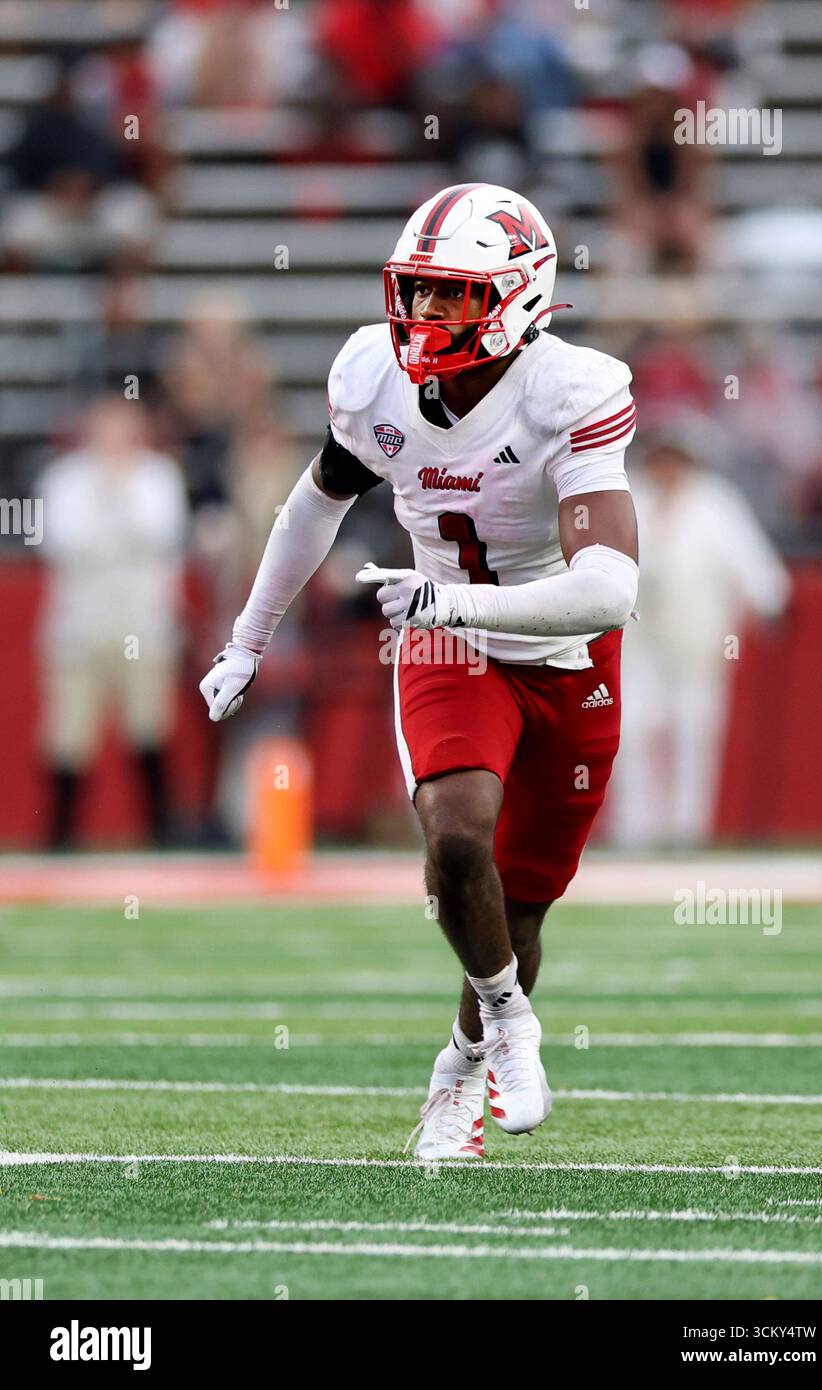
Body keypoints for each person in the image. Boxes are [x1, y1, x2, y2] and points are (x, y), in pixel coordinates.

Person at [199, 184, 639, 1159]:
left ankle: (461, 1061)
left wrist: (455, 603)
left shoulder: (572, 389)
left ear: (518, 297)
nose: (423, 316)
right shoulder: (374, 377)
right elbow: (313, 504)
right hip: (444, 639)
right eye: (416, 291)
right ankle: (509, 1023)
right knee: (452, 838)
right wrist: (249, 635)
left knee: (520, 898)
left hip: (560, 650)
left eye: (451, 296)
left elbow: (607, 588)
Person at [611, 422, 790, 848]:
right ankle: (635, 833)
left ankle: (686, 832)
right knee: (633, 733)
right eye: (661, 458)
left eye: (675, 459)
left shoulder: (716, 502)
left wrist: (770, 603)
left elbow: (754, 562)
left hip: (699, 644)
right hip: (640, 642)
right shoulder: (630, 496)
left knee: (694, 734)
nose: (667, 467)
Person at [39, 399, 188, 847]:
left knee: (149, 727)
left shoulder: (158, 476)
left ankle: (161, 832)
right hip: (79, 627)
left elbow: (160, 533)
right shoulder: (65, 478)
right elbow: (65, 542)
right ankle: (61, 837)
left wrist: (116, 497)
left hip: (143, 625)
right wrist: (112, 501)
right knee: (68, 734)